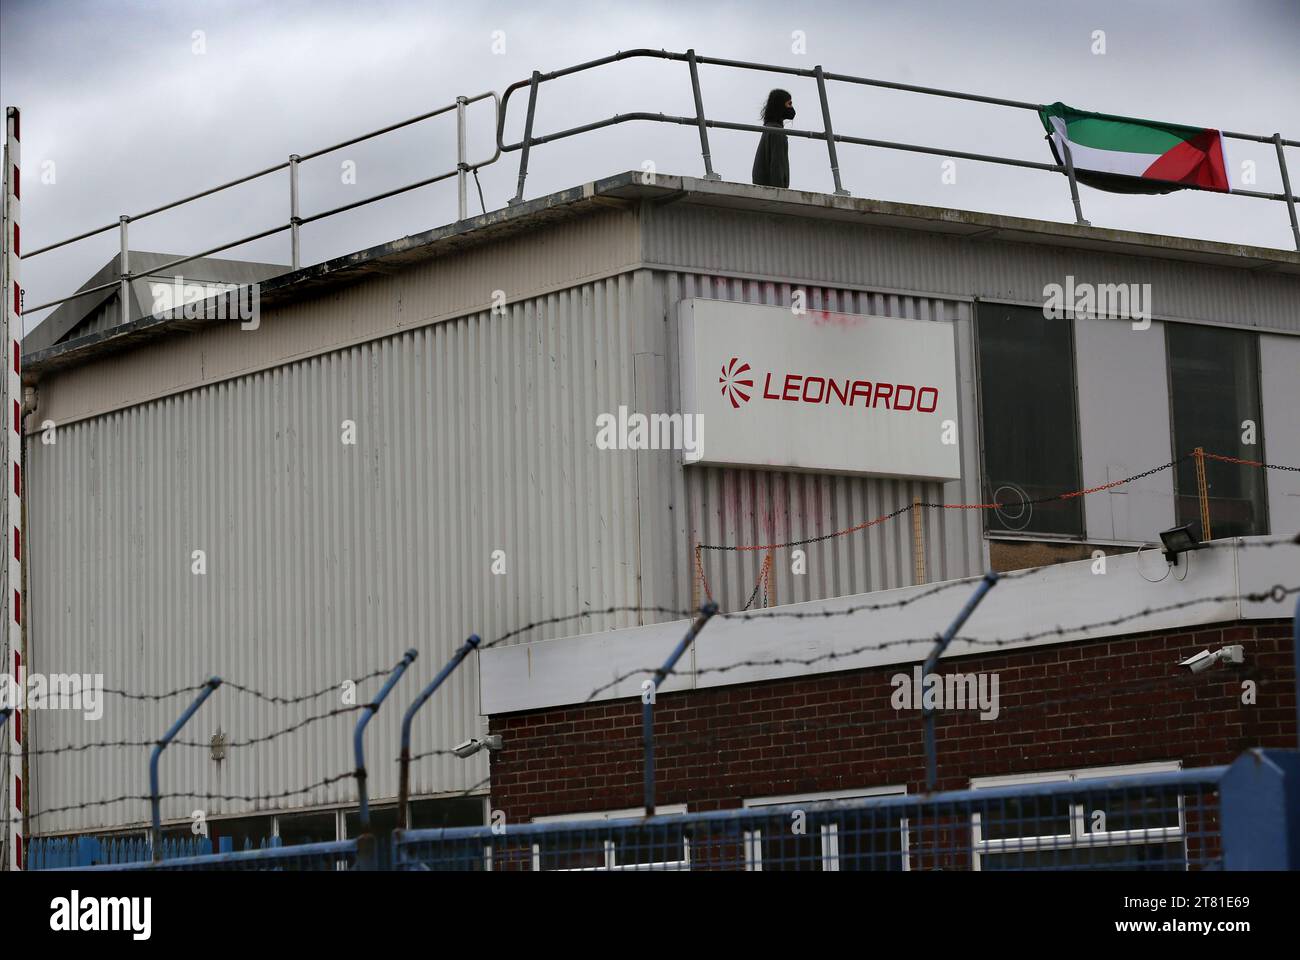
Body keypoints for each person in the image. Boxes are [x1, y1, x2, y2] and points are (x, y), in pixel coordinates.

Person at [752, 89, 795, 188]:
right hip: (771, 191)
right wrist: (780, 192)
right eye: (789, 103)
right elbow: (777, 165)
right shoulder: (777, 132)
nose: (791, 107)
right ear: (780, 105)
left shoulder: (768, 128)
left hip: (762, 188)